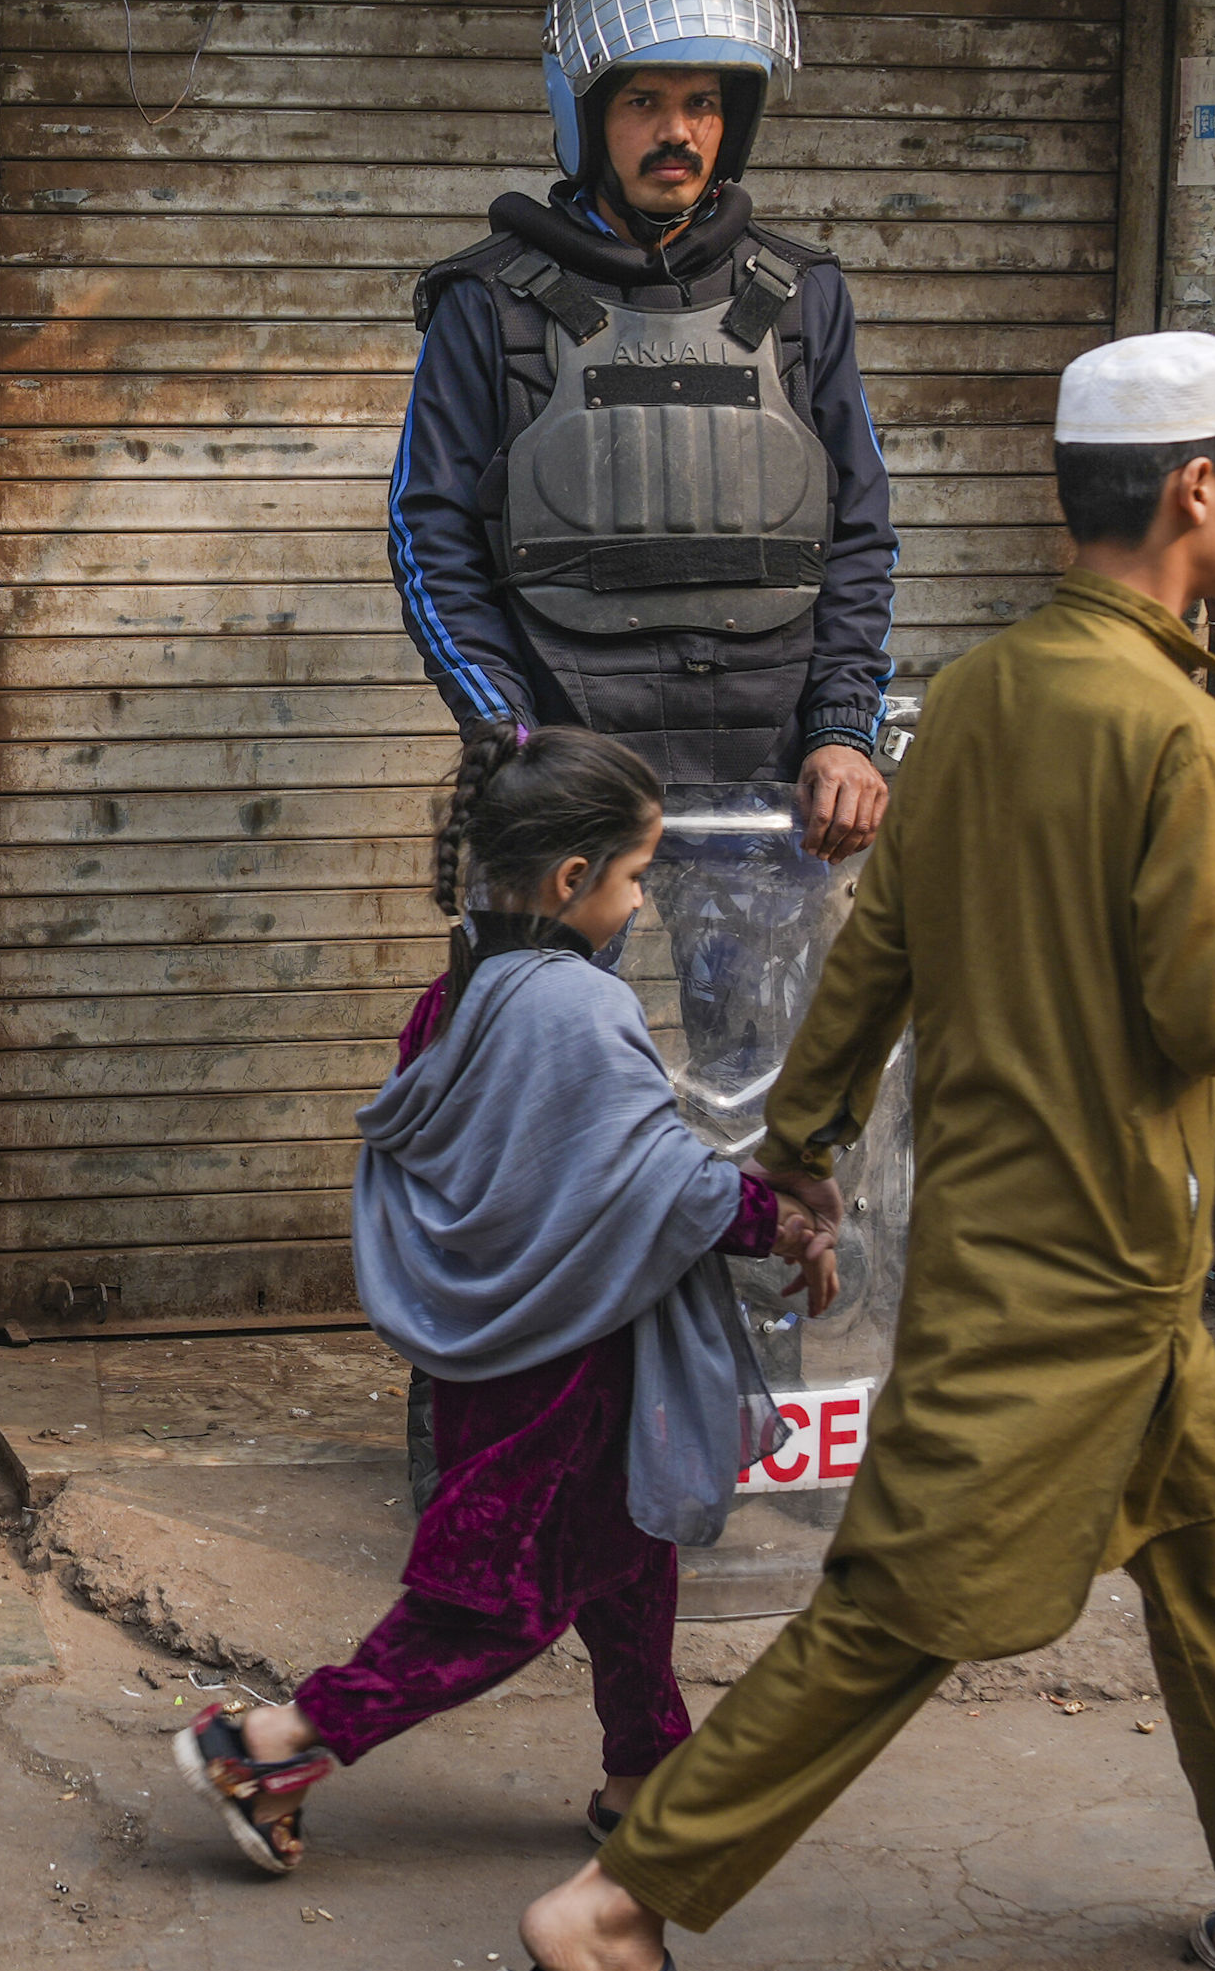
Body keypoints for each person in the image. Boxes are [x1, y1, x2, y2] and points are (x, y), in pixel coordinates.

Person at [490, 333, 1215, 1971]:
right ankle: (611, 1914)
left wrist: (803, 1144)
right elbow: (1204, 1006)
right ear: (1194, 490)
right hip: (1082, 1267)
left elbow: (878, 944)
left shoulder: (980, 691)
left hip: (1059, 1246)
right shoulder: (1171, 736)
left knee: (1210, 1541)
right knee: (895, 1607)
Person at [171, 730, 839, 1875]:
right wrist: (773, 1222)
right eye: (635, 876)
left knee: (630, 1553)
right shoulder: (572, 1006)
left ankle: (645, 1771)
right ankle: (273, 1744)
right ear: (574, 879)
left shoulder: (460, 989)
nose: (638, 901)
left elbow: (564, 1162)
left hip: (513, 1338)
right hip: (564, 1365)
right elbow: (647, 1175)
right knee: (493, 1598)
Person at [388, 0, 902, 852]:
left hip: (774, 768)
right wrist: (507, 733)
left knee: (773, 1007)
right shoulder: (487, 304)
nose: (678, 132)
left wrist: (840, 732)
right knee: (549, 1002)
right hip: (567, 757)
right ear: (586, 115)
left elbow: (860, 530)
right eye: (643, 101)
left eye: (704, 102)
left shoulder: (802, 296)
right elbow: (432, 537)